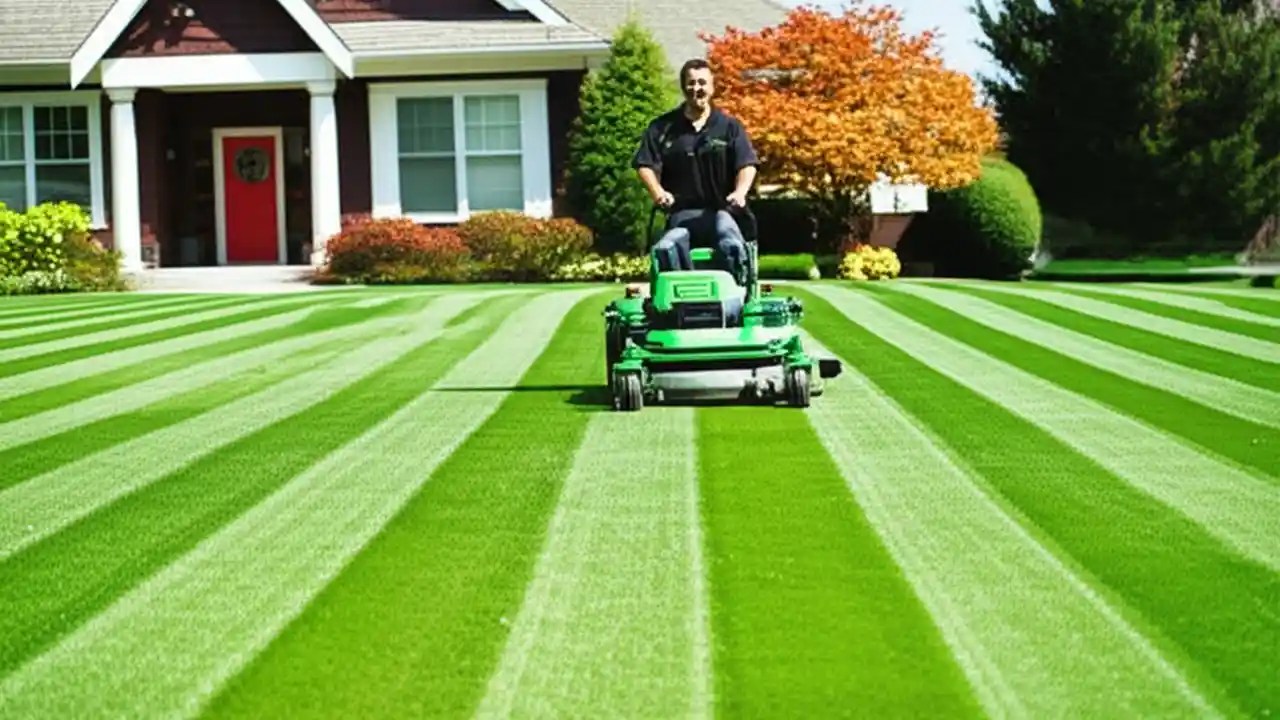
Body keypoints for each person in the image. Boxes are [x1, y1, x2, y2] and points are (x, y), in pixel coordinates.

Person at [632, 58, 760, 283]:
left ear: (712, 87)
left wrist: (740, 193)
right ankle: (679, 302)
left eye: (702, 83)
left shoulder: (729, 127)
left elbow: (746, 164)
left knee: (730, 240)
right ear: (683, 87)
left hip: (724, 211)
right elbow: (645, 164)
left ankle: (736, 289)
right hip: (681, 214)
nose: (696, 89)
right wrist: (658, 193)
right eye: (691, 83)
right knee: (667, 247)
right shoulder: (662, 128)